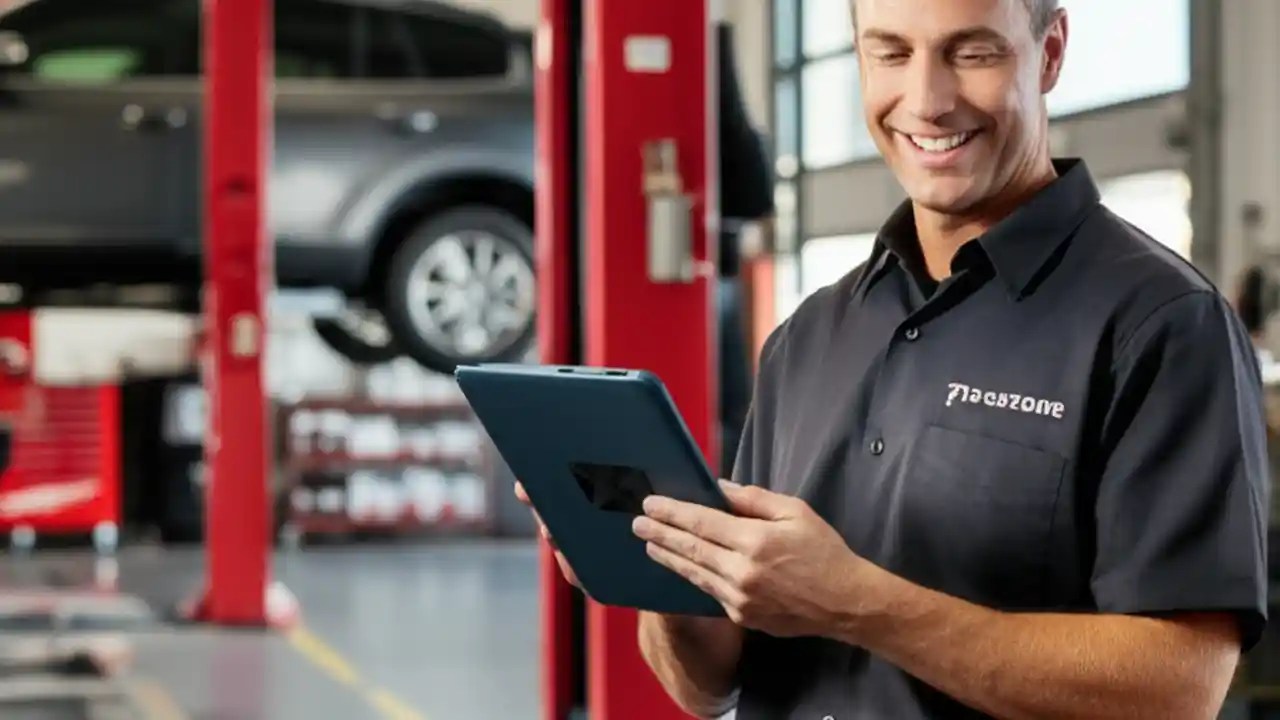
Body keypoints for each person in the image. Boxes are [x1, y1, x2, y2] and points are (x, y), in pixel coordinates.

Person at [520, 0, 1270, 717]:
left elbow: (1176, 691)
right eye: (891, 53)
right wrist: (656, 569)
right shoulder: (808, 336)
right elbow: (709, 688)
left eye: (971, 52)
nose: (927, 100)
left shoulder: (1162, 324)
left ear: (1049, 54)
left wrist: (858, 603)